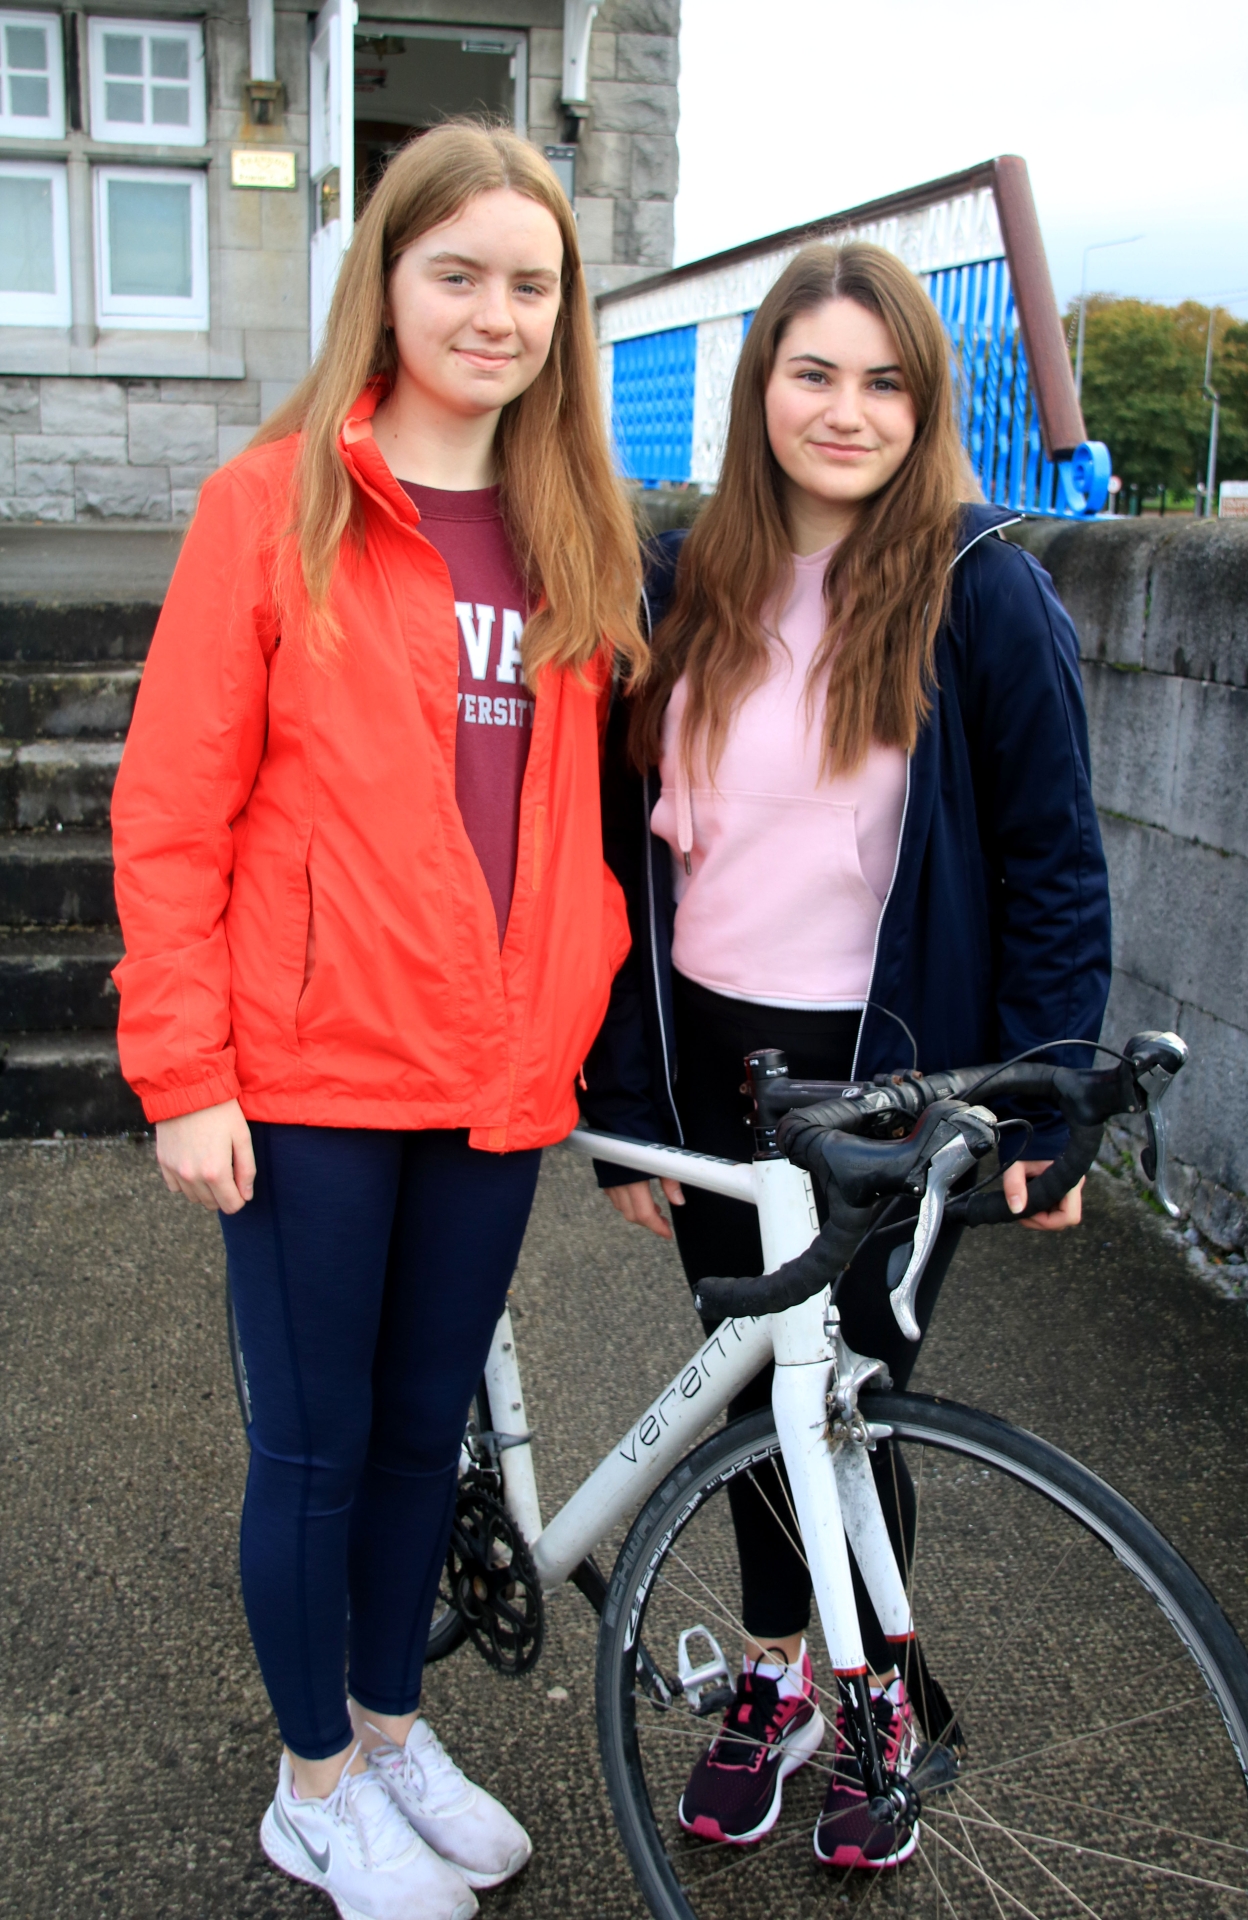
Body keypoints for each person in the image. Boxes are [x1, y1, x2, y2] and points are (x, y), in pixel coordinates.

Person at [111, 122, 644, 1920]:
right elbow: (173, 808)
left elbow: (580, 819)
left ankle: (391, 1727)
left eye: (531, 283)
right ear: (388, 285)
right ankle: (311, 1785)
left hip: (492, 1076)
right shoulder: (273, 507)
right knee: (319, 1448)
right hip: (313, 1071)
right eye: (457, 275)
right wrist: (185, 1074)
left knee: (432, 1436)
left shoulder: (576, 528)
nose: (495, 314)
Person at [581, 242, 1111, 1870]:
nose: (846, 409)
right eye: (811, 372)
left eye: (883, 380)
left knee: (855, 1397)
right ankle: (772, 1678)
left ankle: (868, 1681)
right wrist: (618, 1106)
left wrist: (1052, 1103)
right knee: (752, 1385)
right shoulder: (677, 582)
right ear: (759, 391)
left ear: (923, 404)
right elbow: (614, 854)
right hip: (710, 1065)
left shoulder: (983, 590)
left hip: (885, 1080)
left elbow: (1052, 862)